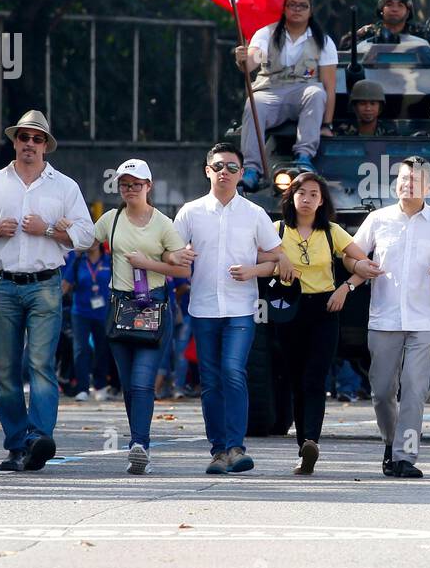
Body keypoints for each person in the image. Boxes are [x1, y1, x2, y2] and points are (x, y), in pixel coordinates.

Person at [0, 109, 94, 472]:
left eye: (37, 139)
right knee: (3, 369)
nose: (29, 144)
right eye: (23, 137)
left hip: (45, 283)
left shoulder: (65, 186)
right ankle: (17, 443)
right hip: (3, 283)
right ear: (14, 141)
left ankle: (38, 438)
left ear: (46, 146)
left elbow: (86, 235)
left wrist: (48, 229)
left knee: (40, 364)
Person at [173, 142, 295, 476]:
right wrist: (178, 256)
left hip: (241, 307)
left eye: (231, 167)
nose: (224, 172)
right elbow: (170, 251)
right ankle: (218, 450)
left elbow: (278, 260)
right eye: (218, 166)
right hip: (203, 307)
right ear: (207, 170)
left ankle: (236, 446)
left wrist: (252, 270)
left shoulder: (254, 213)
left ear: (241, 174)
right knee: (210, 380)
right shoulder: (190, 212)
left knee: (232, 371)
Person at [346, 156, 430, 478]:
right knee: (381, 391)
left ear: (429, 186)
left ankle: (405, 456)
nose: (409, 185)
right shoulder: (378, 219)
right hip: (384, 317)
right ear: (396, 183)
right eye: (405, 179)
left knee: (415, 389)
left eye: (417, 180)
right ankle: (391, 442)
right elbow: (352, 254)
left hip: (424, 320)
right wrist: (358, 267)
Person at [94, 158, 192, 475]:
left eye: (136, 184)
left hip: (153, 306)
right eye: (125, 184)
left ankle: (140, 445)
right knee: (127, 384)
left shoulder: (164, 224)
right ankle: (138, 442)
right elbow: (84, 240)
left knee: (141, 382)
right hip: (120, 305)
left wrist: (147, 263)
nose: (130, 189)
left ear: (148, 186)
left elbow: (182, 268)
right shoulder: (112, 218)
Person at [269, 172, 371, 475]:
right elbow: (259, 258)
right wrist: (277, 262)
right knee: (295, 380)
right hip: (288, 309)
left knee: (315, 379)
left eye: (314, 194)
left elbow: (364, 264)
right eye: (301, 193)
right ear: (291, 197)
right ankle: (303, 447)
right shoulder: (275, 230)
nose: (307, 199)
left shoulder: (333, 232)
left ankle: (311, 440)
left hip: (325, 309)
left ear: (322, 200)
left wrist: (346, 287)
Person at [232, 0, 338, 189]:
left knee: (316, 92)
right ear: (284, 8)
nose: (297, 9)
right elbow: (252, 61)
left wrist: (327, 125)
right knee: (255, 102)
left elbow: (329, 86)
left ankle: (304, 157)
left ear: (310, 10)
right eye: (292, 5)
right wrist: (243, 58)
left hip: (302, 91)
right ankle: (252, 169)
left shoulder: (322, 41)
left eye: (302, 6)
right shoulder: (266, 34)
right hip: (270, 91)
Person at [61, 240, 114, 401]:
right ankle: (82, 387)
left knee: (102, 349)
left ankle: (100, 386)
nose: (91, 243)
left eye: (95, 239)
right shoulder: (78, 261)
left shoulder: (109, 261)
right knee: (81, 349)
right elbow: (65, 285)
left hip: (104, 313)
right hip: (80, 312)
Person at [341, 0, 428, 48]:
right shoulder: (370, 33)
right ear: (381, 9)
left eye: (400, 5)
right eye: (389, 4)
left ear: (408, 12)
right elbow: (344, 49)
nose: (394, 9)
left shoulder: (419, 34)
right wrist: (358, 34)